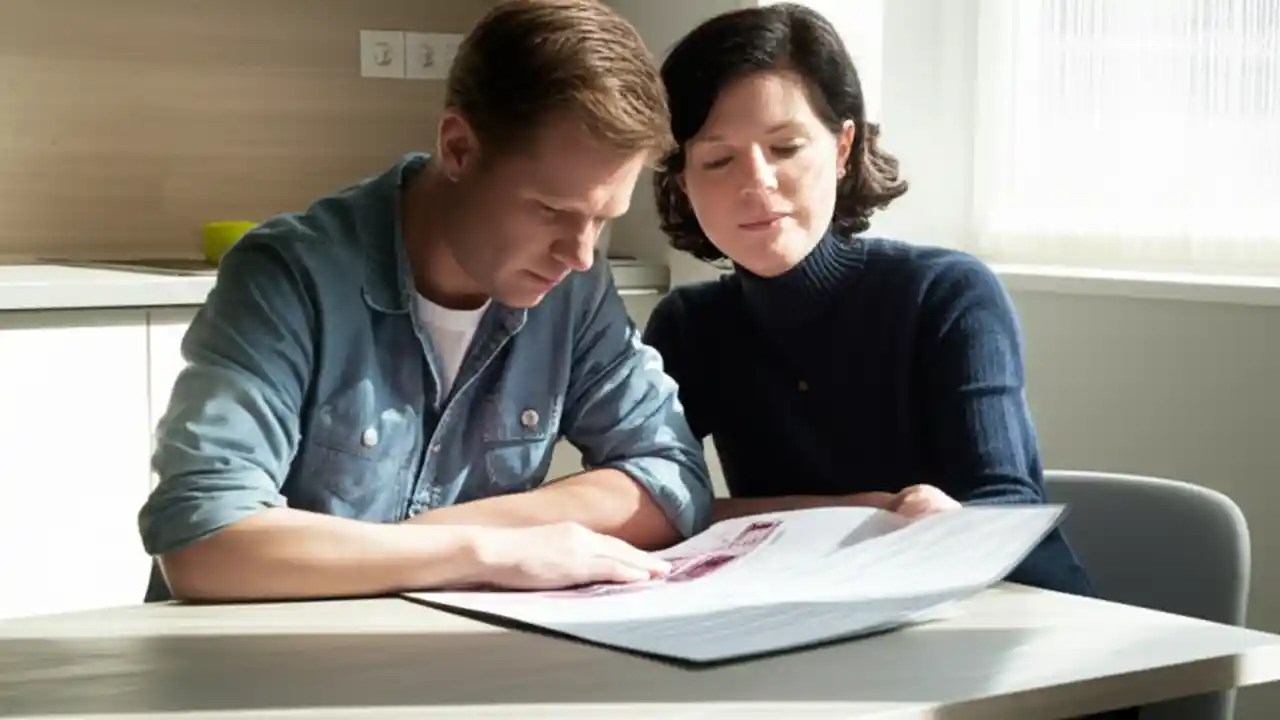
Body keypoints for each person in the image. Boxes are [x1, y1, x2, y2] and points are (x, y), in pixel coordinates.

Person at [137, 0, 712, 602]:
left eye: (603, 220)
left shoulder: (575, 290)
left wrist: (433, 538)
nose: (580, 254)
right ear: (459, 147)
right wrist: (489, 552)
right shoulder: (289, 277)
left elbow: (671, 475)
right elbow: (204, 543)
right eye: (551, 210)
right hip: (262, 674)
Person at [642, 3, 1095, 597]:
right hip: (816, 620)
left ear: (841, 147)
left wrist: (940, 521)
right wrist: (867, 509)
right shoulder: (689, 325)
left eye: (785, 148)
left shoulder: (946, 294)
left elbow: (1003, 508)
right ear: (684, 182)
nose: (757, 182)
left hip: (1014, 620)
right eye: (718, 158)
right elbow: (649, 506)